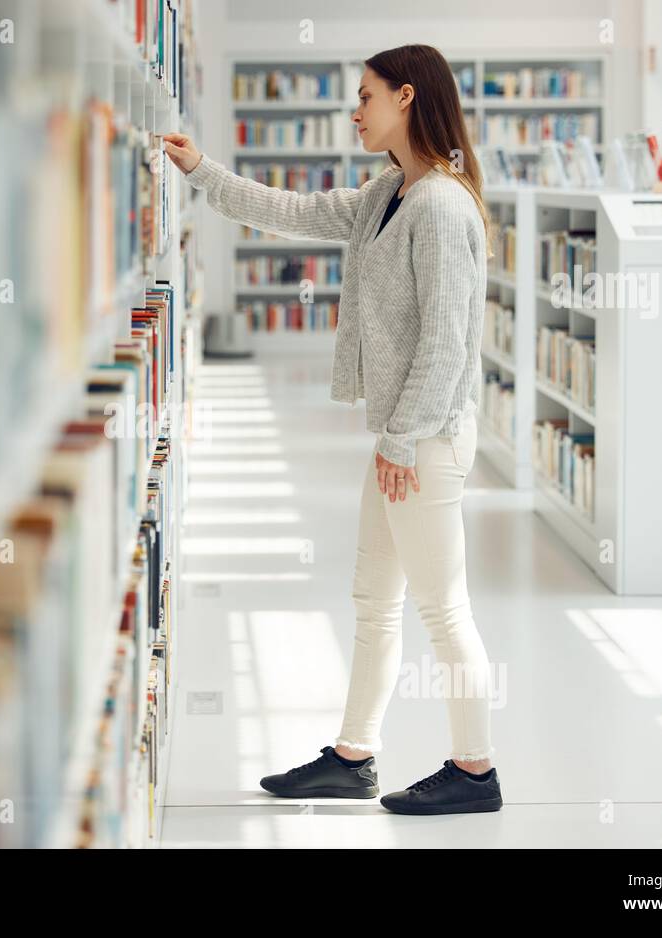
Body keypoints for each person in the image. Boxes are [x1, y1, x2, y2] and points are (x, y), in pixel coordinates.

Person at [162, 44, 502, 815]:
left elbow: (448, 341)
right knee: (374, 600)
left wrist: (401, 438)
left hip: (426, 441)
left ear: (407, 98)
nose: (354, 111)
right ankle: (354, 756)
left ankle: (475, 771)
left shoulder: (442, 207)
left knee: (443, 611)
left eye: (365, 96)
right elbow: (294, 211)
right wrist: (202, 170)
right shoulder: (391, 190)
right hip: (401, 435)